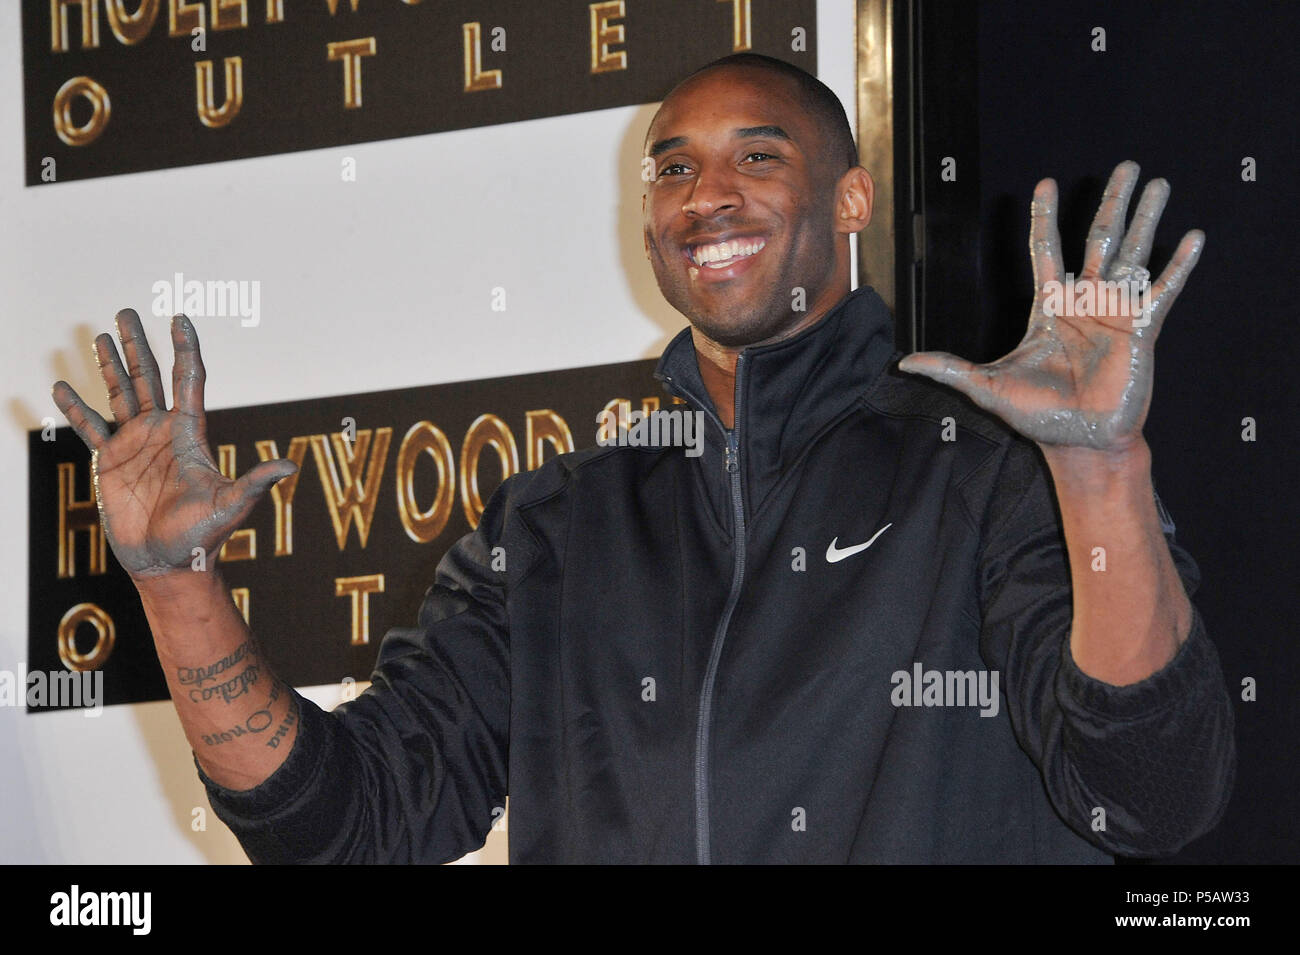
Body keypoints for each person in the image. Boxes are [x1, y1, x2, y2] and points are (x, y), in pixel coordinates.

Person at [51, 54, 1234, 864]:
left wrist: (1097, 467)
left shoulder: (986, 476)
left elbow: (1154, 793)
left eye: (756, 160)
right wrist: (175, 586)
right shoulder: (554, 526)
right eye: (670, 168)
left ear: (854, 198)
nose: (702, 198)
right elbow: (352, 822)